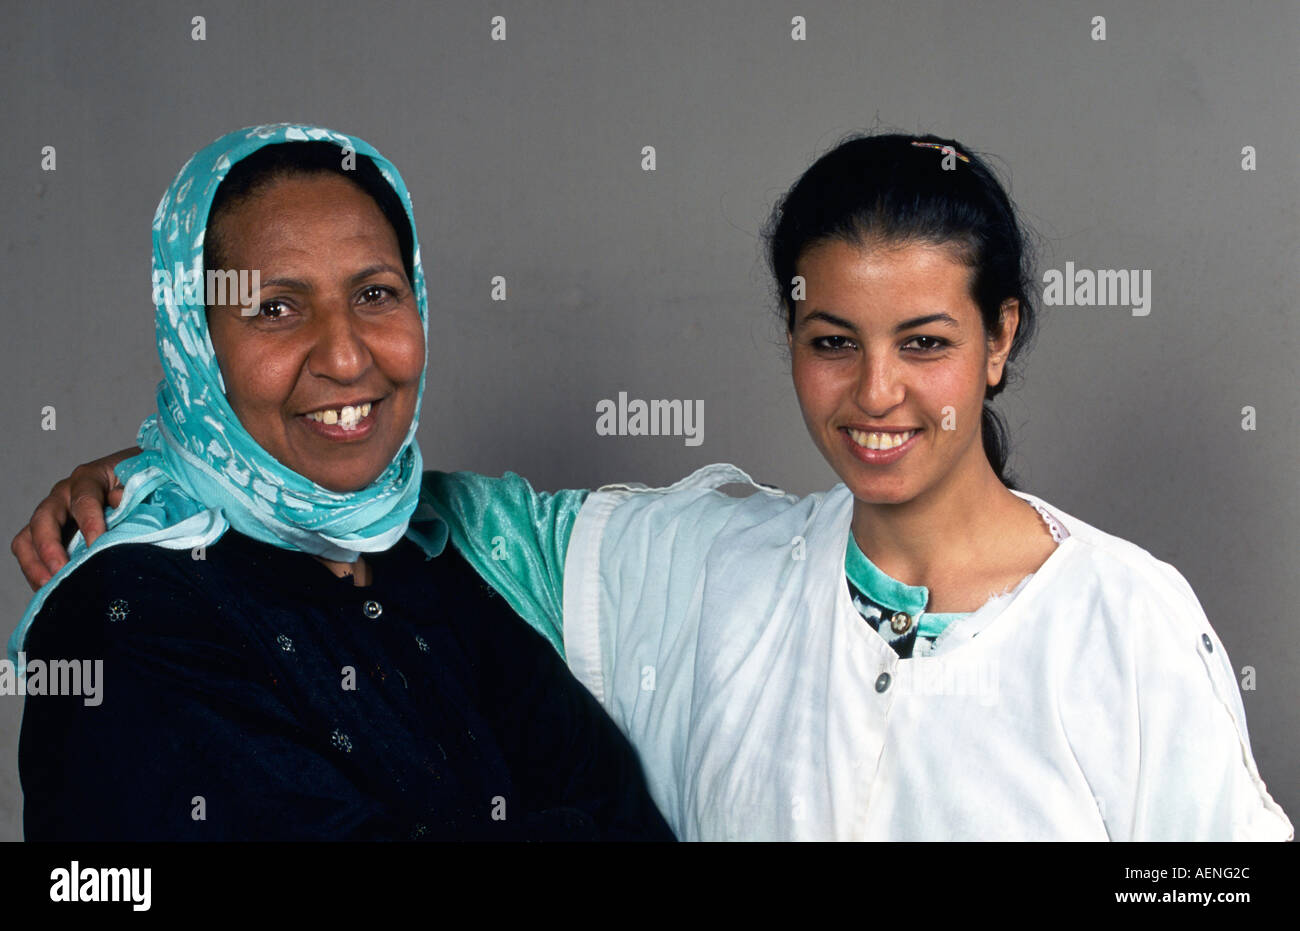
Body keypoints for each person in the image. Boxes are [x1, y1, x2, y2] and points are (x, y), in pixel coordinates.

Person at [16, 133, 1292, 842]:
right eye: (832, 341)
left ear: (1001, 337)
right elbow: (397, 512)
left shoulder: (1120, 618)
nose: (876, 395)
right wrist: (184, 465)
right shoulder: (704, 569)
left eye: (928, 342)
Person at [7, 124, 674, 841]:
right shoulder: (128, 611)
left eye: (375, 293)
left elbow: (628, 817)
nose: (346, 354)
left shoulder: (459, 558)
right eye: (275, 308)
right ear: (195, 344)